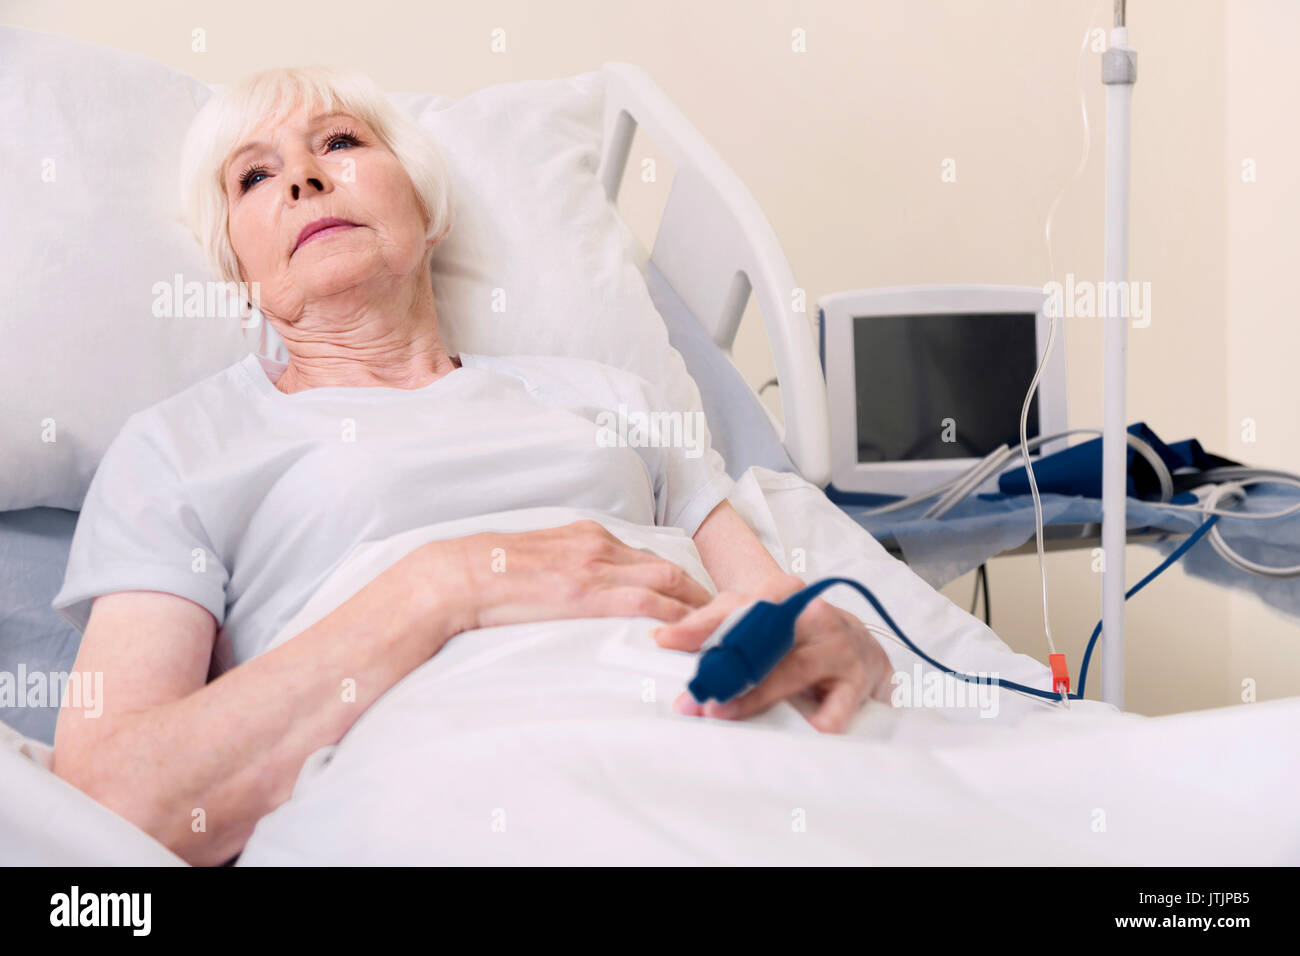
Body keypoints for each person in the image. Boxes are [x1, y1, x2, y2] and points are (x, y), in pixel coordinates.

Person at [50, 67, 891, 866]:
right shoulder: (181, 446)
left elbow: (786, 613)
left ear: (426, 210)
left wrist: (845, 646)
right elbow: (117, 801)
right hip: (471, 792)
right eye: (254, 177)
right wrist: (445, 588)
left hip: (748, 751)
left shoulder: (617, 398)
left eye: (340, 142)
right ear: (238, 270)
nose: (304, 176)